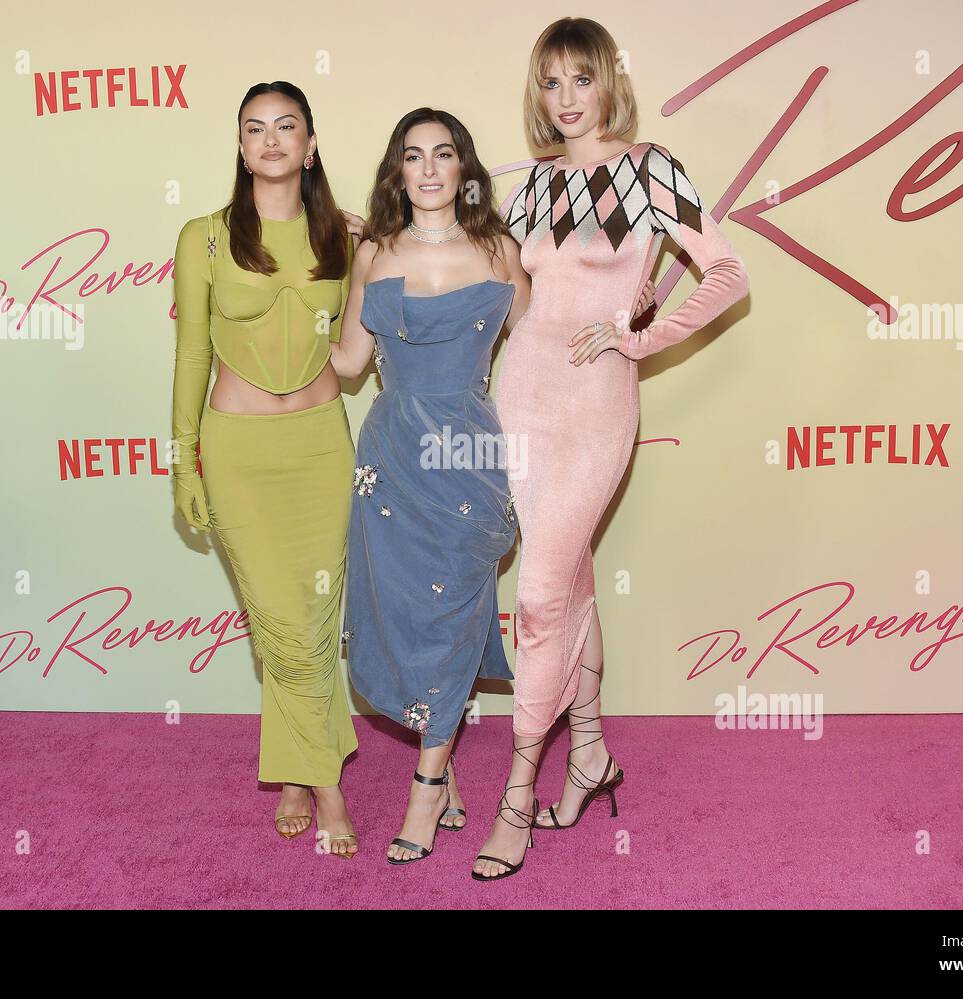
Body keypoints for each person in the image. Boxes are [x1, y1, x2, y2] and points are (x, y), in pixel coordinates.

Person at [472, 17, 751, 880]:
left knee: (544, 590)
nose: (565, 100)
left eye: (580, 80)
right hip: (522, 393)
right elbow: (516, 302)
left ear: (607, 83)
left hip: (596, 400)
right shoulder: (528, 188)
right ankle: (588, 752)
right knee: (573, 575)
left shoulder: (651, 168)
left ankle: (518, 790)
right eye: (550, 82)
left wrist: (637, 338)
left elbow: (729, 273)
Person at [331, 108, 529, 865]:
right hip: (392, 457)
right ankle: (440, 777)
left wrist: (621, 313)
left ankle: (425, 786)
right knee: (405, 614)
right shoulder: (373, 252)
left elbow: (538, 348)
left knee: (453, 614)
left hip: (468, 453)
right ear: (398, 172)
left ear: (465, 168)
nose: (430, 169)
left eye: (444, 154)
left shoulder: (500, 250)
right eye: (413, 157)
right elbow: (350, 361)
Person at [171, 81, 361, 858]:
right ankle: (329, 791)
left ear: (311, 145)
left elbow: (355, 355)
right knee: (283, 625)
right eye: (256, 128)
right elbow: (190, 355)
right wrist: (184, 457)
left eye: (288, 127)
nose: (272, 139)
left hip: (321, 448)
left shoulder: (345, 240)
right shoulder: (204, 238)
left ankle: (291, 770)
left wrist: (376, 242)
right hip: (241, 456)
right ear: (241, 147)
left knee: (310, 627)